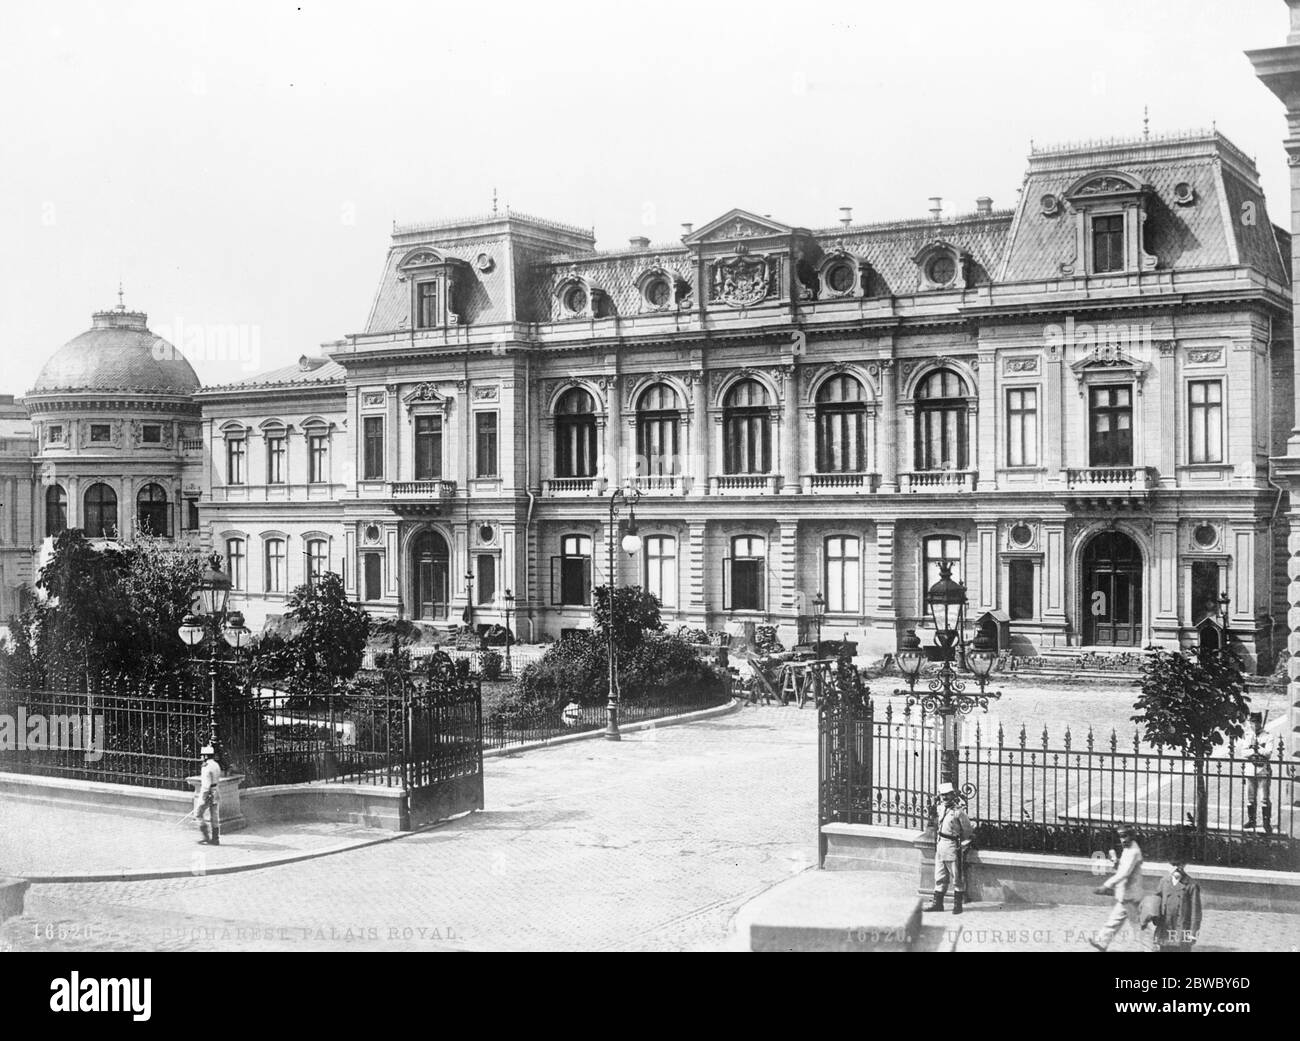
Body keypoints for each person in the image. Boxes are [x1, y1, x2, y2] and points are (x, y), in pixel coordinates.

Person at [1088, 825, 1145, 951]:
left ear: (1132, 836)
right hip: (1126, 893)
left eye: (1126, 836)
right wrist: (1116, 861)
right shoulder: (1128, 848)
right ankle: (1101, 942)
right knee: (1116, 919)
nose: (1123, 839)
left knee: (1138, 925)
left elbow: (1124, 873)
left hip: (1131, 894)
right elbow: (1123, 868)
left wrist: (1106, 885)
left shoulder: (1134, 851)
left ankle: (1153, 948)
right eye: (1121, 836)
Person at [924, 781, 973, 915]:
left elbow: (967, 830)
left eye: (947, 795)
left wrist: (962, 846)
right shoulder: (940, 808)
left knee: (956, 876)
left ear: (952, 795)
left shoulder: (958, 812)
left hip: (952, 846)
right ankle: (937, 904)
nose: (945, 798)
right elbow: (934, 822)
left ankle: (958, 905)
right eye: (942, 795)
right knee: (939, 876)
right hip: (941, 844)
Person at [1152, 856, 1202, 952]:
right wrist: (1153, 915)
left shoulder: (1191, 885)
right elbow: (1156, 902)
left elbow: (1196, 912)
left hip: (1182, 929)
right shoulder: (1164, 882)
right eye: (1173, 865)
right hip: (1165, 928)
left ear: (1183, 866)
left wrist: (1193, 933)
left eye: (1179, 865)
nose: (1176, 869)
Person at [1243, 713, 1276, 833]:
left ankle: (1266, 822)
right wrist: (1253, 749)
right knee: (1250, 798)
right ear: (1250, 723)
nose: (1255, 724)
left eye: (1257, 722)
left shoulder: (1268, 736)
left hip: (1263, 770)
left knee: (1264, 798)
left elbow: (1268, 753)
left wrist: (1258, 748)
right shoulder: (1247, 735)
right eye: (1252, 722)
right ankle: (1252, 820)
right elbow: (1244, 752)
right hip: (1250, 769)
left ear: (1260, 722)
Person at [195, 744, 222, 846]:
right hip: (216, 791)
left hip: (208, 793)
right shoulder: (216, 765)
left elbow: (206, 785)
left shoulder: (206, 767)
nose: (201, 757)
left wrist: (203, 798)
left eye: (202, 755)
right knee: (214, 816)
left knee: (198, 814)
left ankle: (206, 837)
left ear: (206, 756)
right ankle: (215, 839)